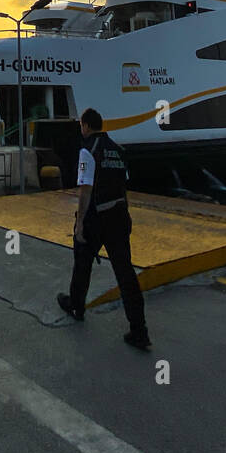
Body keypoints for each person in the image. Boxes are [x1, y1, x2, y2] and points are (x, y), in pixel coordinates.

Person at [57, 108, 151, 350]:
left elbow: (85, 189)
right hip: (119, 214)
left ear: (86, 126)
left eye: (81, 125)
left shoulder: (88, 150)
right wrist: (126, 215)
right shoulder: (118, 151)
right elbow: (123, 186)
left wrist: (79, 222)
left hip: (96, 215)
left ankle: (77, 306)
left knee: (82, 260)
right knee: (125, 272)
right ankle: (139, 330)